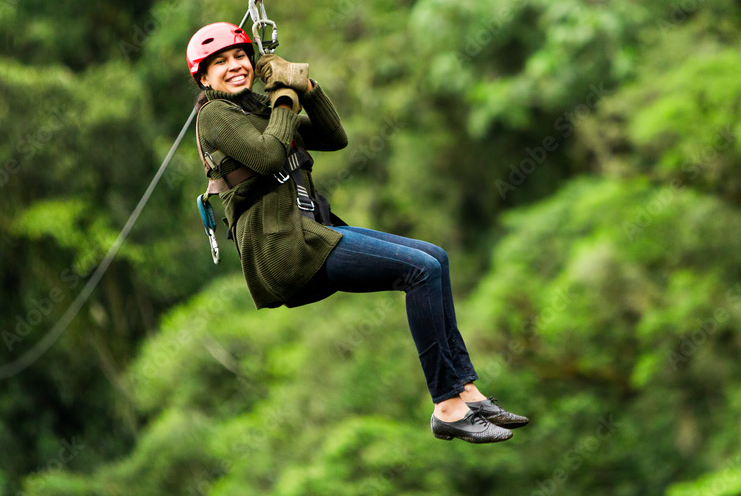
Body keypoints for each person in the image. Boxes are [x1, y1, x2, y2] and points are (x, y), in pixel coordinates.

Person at [187, 22, 528, 443]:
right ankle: (447, 406)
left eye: (240, 56)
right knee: (418, 272)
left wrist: (306, 87)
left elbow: (335, 136)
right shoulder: (215, 116)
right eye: (220, 63)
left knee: (435, 258)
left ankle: (467, 392)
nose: (234, 66)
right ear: (204, 78)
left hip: (310, 233)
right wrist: (284, 99)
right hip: (284, 251)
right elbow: (271, 155)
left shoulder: (257, 110)